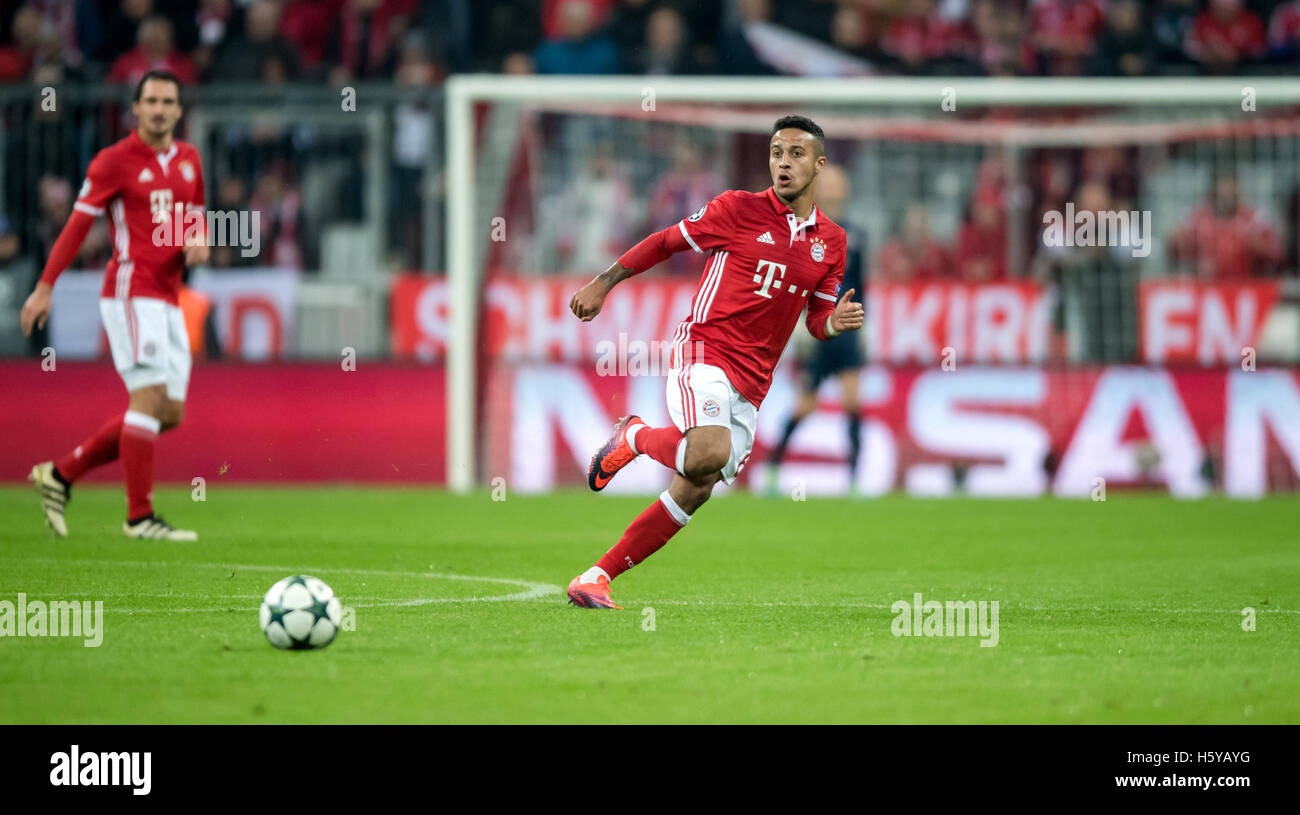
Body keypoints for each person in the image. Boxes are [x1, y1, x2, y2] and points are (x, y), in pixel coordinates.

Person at [564, 115, 864, 609]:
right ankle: (635, 437)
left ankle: (595, 577)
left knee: (696, 487)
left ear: (819, 164)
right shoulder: (737, 208)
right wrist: (604, 282)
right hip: (705, 350)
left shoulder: (831, 242)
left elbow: (815, 320)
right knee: (708, 451)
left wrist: (834, 323)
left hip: (753, 381)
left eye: (796, 154)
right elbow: (665, 241)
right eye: (776, 153)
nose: (784, 163)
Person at [20, 70, 208, 541]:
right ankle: (139, 517)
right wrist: (45, 286)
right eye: (151, 101)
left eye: (167, 101)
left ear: (179, 110)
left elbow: (195, 216)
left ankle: (60, 474)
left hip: (168, 297)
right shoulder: (113, 161)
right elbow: (77, 225)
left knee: (169, 412)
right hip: (130, 292)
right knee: (148, 398)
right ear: (136, 108)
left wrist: (199, 241)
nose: (159, 109)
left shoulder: (189, 160)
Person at [764, 164, 865, 495]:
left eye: (839, 183)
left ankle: (854, 481)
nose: (835, 189)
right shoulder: (804, 231)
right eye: (829, 183)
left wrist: (864, 324)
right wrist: (796, 325)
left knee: (853, 402)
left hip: (846, 332)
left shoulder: (857, 234)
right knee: (805, 406)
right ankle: (773, 468)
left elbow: (861, 285)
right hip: (817, 330)